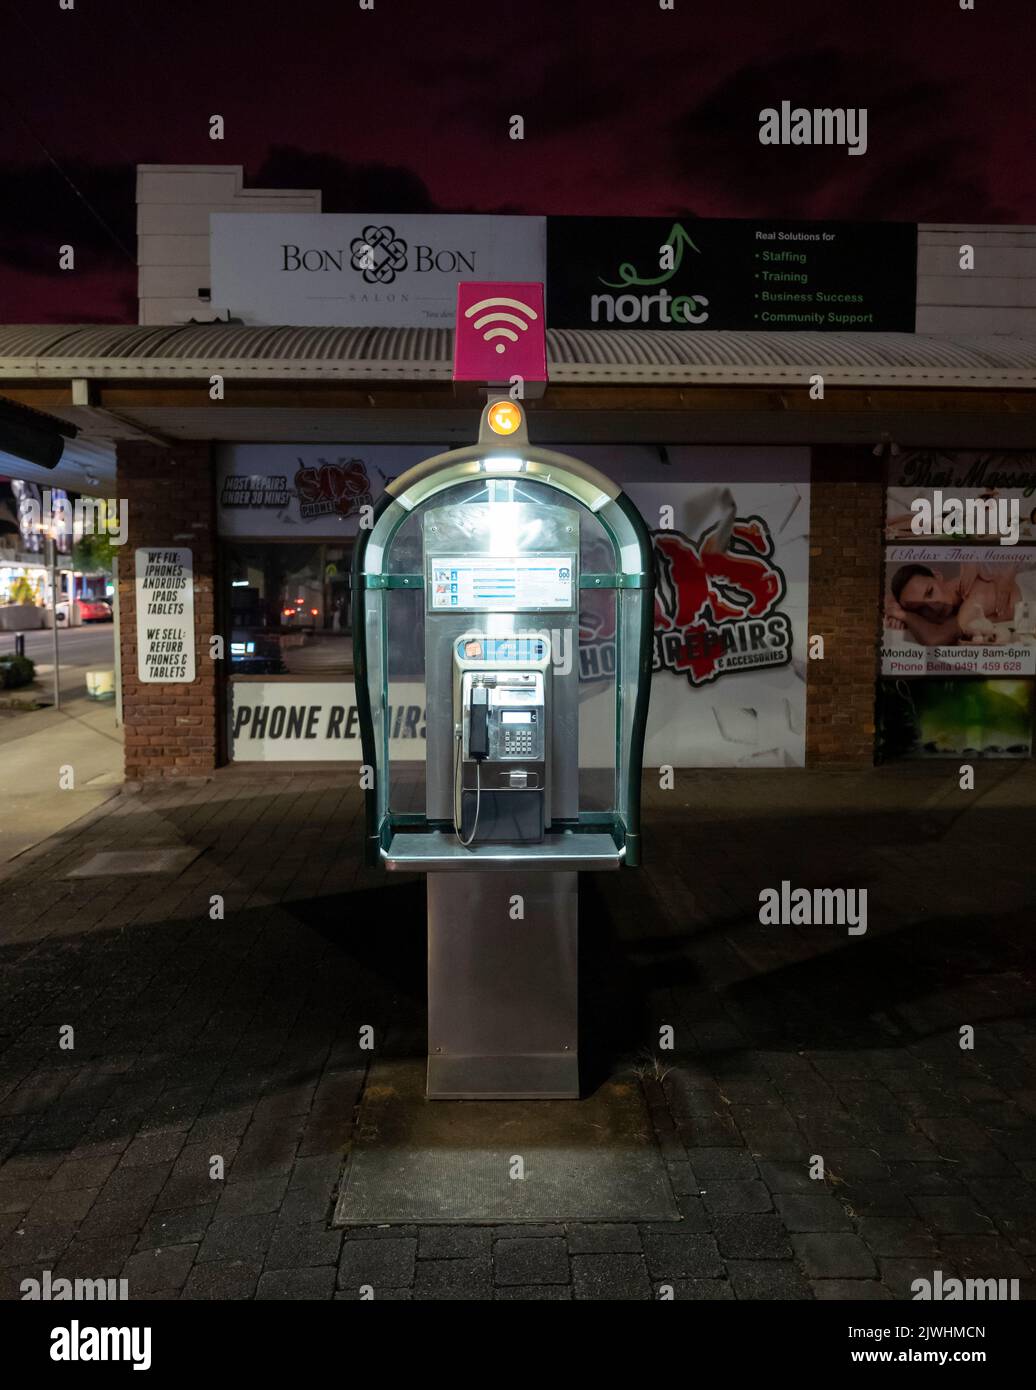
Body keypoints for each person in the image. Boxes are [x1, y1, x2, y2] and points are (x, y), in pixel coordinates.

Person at [885, 562, 1024, 646]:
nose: (934, 606)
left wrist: (902, 615)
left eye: (930, 592)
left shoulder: (977, 594)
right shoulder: (951, 601)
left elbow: (935, 638)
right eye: (921, 608)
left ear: (938, 576)